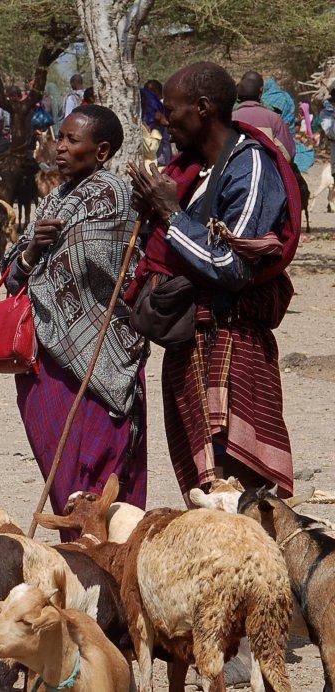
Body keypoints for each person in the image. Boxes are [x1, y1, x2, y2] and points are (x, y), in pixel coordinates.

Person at [127, 62, 300, 499]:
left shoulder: (251, 166)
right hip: (190, 344)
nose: (163, 121)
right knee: (204, 494)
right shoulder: (190, 171)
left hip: (232, 344)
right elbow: (171, 252)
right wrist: (151, 216)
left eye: (171, 109)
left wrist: (169, 213)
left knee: (236, 493)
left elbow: (233, 267)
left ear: (202, 108)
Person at [3, 105, 147, 526]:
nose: (59, 147)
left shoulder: (118, 197)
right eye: (59, 138)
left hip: (105, 351)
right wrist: (33, 251)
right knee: (59, 459)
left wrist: (58, 253)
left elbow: (116, 267)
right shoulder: (56, 198)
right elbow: (13, 275)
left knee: (103, 465)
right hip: (48, 349)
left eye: (71, 140)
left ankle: (108, 551)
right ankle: (77, 544)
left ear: (101, 151)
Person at [232, 71, 295, 161]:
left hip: (233, 170)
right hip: (267, 171)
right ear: (261, 92)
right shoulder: (274, 118)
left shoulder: (228, 118)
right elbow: (288, 154)